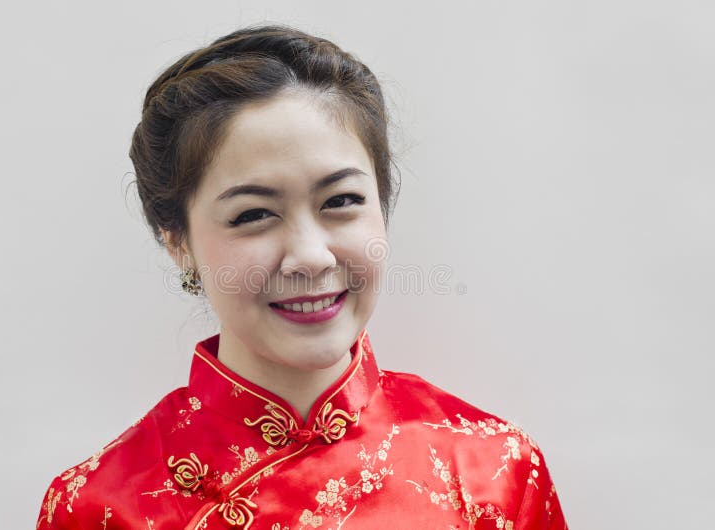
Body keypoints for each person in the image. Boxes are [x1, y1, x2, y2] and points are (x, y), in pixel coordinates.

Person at [35, 24, 567, 530]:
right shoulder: (98, 509)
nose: (311, 258)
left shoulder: (493, 472)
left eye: (341, 200)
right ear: (178, 242)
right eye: (253, 214)